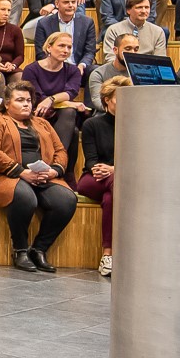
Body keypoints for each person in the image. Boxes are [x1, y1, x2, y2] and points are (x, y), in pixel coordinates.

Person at [0, 80, 77, 273]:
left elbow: (60, 150)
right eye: (20, 100)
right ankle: (20, 250)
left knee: (67, 200)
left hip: (43, 177)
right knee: (25, 197)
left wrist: (54, 171)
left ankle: (39, 250)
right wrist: (22, 172)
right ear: (7, 104)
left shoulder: (42, 123)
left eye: (29, 100)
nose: (26, 104)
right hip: (4, 176)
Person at [21, 28, 89, 172]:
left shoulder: (73, 71)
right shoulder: (31, 70)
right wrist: (68, 103)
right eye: (61, 46)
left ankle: (56, 161)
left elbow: (71, 92)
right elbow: (37, 98)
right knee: (74, 131)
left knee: (69, 112)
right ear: (49, 47)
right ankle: (64, 171)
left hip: (61, 117)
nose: (66, 50)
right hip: (38, 115)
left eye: (69, 47)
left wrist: (51, 99)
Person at [79, 76, 127, 278]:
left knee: (110, 199)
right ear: (107, 100)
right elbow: (91, 161)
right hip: (95, 177)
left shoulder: (137, 125)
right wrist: (106, 170)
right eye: (119, 98)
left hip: (120, 177)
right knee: (116, 184)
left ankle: (108, 254)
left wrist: (115, 169)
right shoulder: (92, 124)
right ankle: (121, 253)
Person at [99, 0, 164, 62]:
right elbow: (110, 58)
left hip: (148, 67)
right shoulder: (113, 30)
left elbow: (160, 60)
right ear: (128, 10)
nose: (143, 11)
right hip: (121, 67)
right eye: (139, 7)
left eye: (146, 7)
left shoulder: (158, 31)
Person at [86, 30, 140, 109]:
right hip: (107, 113)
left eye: (136, 49)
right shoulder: (99, 73)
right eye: (128, 49)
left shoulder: (142, 73)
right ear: (115, 50)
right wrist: (119, 110)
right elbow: (98, 101)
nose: (132, 53)